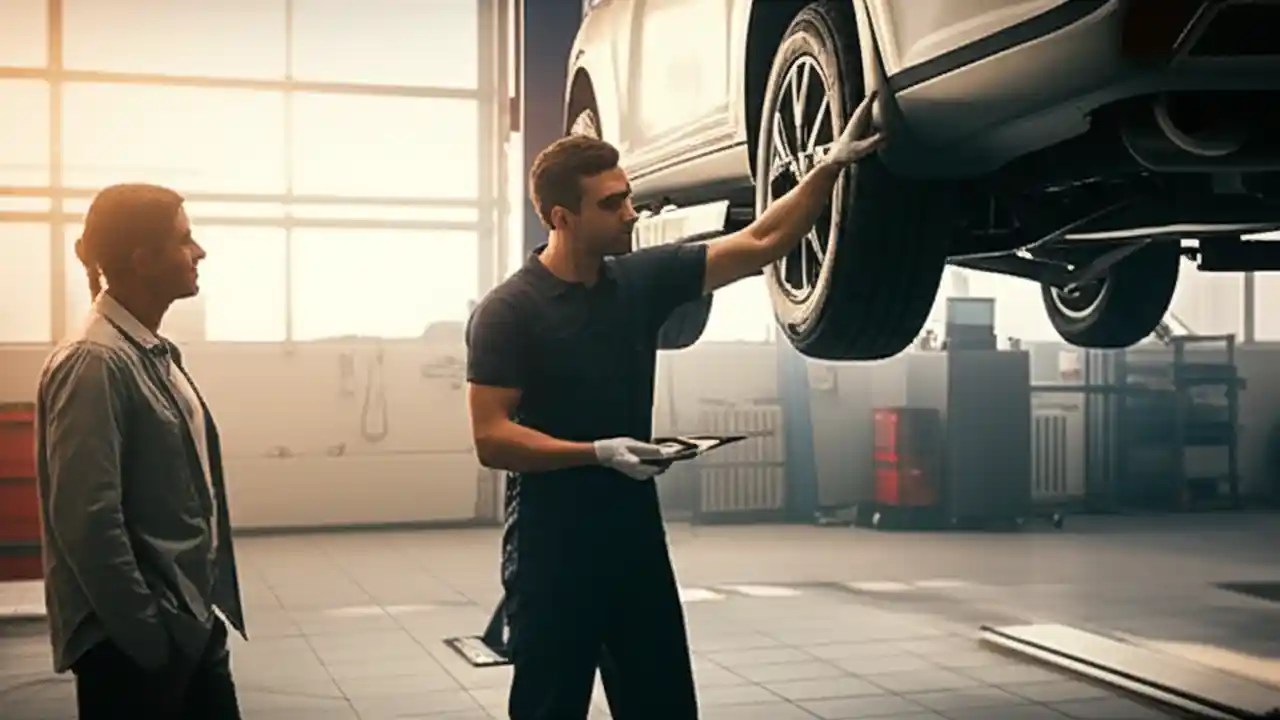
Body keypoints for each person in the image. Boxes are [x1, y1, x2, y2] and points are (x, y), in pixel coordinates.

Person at [465, 91, 884, 719]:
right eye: (612, 204)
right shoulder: (510, 311)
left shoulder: (638, 281)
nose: (631, 213)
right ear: (562, 217)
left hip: (633, 538)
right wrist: (598, 453)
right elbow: (491, 438)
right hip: (553, 547)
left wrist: (829, 165)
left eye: (628, 194)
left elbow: (763, 240)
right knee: (550, 708)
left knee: (661, 706)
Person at [34, 183, 248, 719]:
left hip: (186, 624)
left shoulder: (150, 352)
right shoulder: (95, 362)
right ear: (143, 259)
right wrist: (148, 635)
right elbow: (87, 520)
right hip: (137, 643)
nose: (199, 252)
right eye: (185, 239)